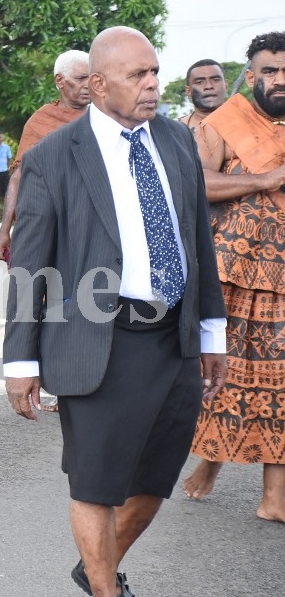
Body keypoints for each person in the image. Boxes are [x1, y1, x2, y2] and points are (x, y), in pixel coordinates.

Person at [3, 26, 227, 597]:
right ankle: (107, 590)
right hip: (99, 340)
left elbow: (197, 242)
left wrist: (211, 333)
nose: (153, 85)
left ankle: (96, 565)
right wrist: (19, 361)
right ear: (98, 85)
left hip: (173, 338)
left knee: (156, 479)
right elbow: (30, 267)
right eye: (137, 76)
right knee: (96, 484)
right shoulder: (54, 156)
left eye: (154, 72)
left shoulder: (177, 140)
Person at [182, 32, 285, 522]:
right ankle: (210, 461)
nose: (278, 80)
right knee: (224, 377)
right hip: (233, 272)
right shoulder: (226, 122)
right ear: (250, 76)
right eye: (269, 71)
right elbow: (196, 184)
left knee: (281, 383)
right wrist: (262, 180)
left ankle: (274, 498)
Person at [0, 50, 90, 262]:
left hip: (86, 228)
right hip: (42, 223)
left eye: (92, 78)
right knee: (35, 289)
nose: (88, 85)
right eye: (81, 78)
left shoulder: (101, 122)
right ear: (60, 80)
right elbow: (19, 176)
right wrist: (5, 229)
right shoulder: (41, 121)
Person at [177, 59, 227, 133]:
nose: (209, 86)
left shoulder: (244, 124)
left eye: (215, 80)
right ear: (188, 91)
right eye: (200, 82)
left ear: (226, 85)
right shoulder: (175, 130)